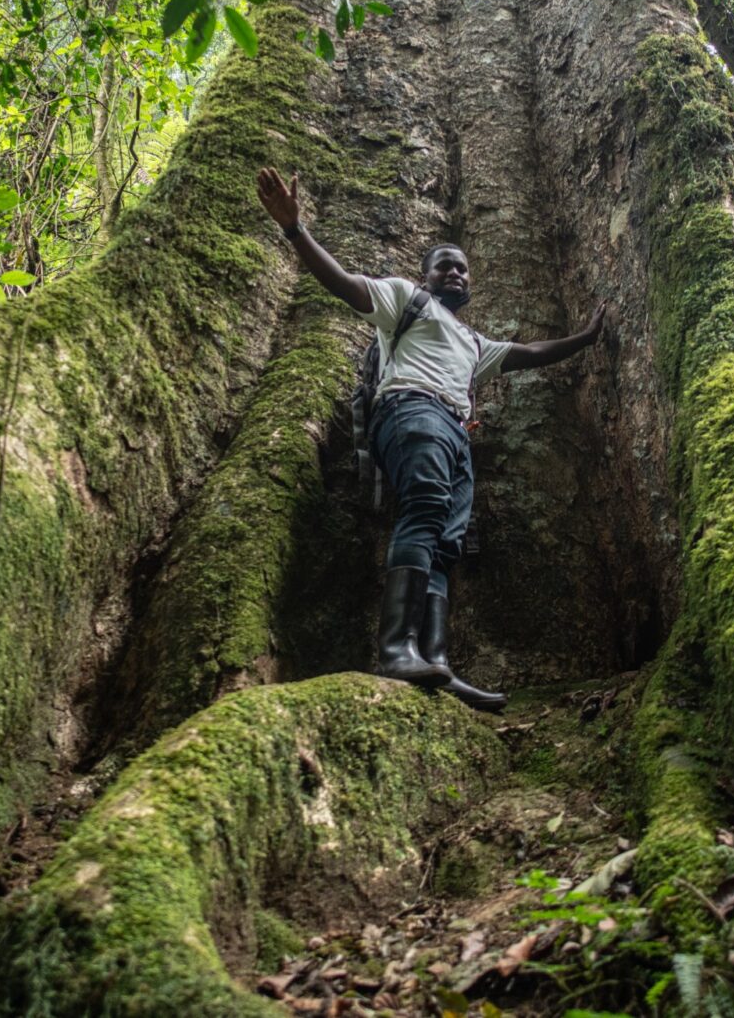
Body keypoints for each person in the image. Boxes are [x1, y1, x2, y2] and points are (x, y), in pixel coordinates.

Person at [256, 166, 606, 712]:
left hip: (455, 435)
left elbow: (529, 354)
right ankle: (396, 648)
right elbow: (346, 286)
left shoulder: (472, 340)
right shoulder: (406, 301)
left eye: (464, 269)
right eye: (446, 266)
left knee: (447, 541)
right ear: (426, 276)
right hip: (410, 410)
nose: (458, 274)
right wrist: (295, 229)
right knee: (423, 507)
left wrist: (586, 338)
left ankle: (435, 663)